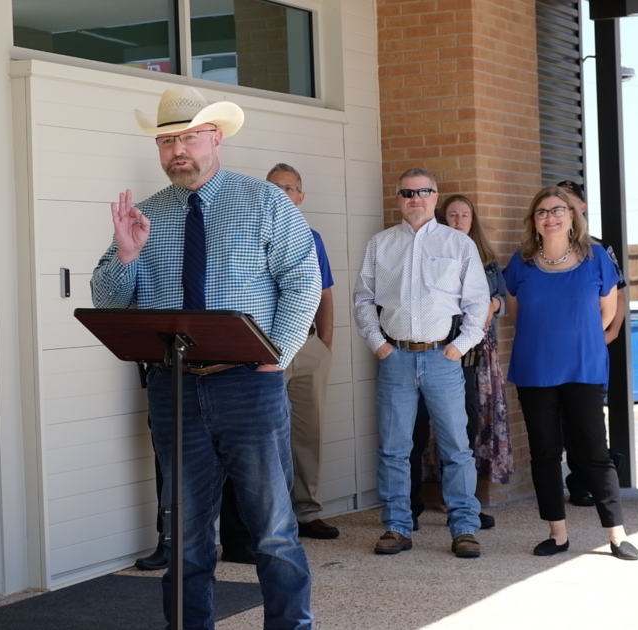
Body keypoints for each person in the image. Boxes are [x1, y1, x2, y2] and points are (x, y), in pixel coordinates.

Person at [91, 86, 319, 629]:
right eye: (166, 141)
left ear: (215, 138)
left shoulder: (265, 203)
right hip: (175, 393)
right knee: (186, 536)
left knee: (273, 530)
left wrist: (277, 354)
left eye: (188, 138)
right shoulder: (144, 217)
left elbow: (302, 280)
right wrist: (125, 255)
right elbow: (109, 301)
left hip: (250, 388)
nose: (177, 152)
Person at [353, 168, 488, 558]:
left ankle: (464, 528)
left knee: (456, 449)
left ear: (435, 196)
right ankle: (397, 526)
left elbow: (478, 301)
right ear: (398, 198)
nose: (415, 198)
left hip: (443, 358)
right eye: (407, 193)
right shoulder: (381, 244)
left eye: (423, 192)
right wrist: (378, 344)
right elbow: (363, 298)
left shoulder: (458, 244)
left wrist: (460, 346)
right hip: (395, 358)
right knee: (394, 448)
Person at [503, 186, 638, 561]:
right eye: (543, 212)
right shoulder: (520, 263)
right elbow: (518, 315)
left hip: (583, 365)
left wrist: (578, 339)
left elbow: (608, 312)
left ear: (572, 216)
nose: (551, 217)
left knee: (594, 451)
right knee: (545, 452)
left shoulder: (596, 257)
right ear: (534, 220)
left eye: (558, 210)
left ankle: (616, 534)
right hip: (534, 367)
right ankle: (558, 534)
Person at [218, 163, 339, 565]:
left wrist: (324, 345)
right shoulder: (249, 233)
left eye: (290, 188)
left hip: (306, 348)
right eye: (275, 187)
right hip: (262, 350)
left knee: (307, 433)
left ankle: (306, 513)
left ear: (301, 196)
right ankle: (267, 523)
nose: (283, 193)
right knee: (261, 439)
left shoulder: (311, 237)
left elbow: (323, 295)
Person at [408, 195, 512, 531]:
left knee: (463, 431)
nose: (458, 219)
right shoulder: (430, 252)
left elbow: (504, 303)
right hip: (428, 349)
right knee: (417, 427)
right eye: (452, 214)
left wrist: (492, 302)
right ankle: (410, 505)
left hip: (470, 356)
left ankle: (466, 506)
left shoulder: (487, 261)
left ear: (473, 221)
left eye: (464, 215)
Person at [556, 180, 629, 507]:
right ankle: (579, 482)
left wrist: (611, 331)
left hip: (589, 346)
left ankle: (597, 478)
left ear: (581, 209)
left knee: (588, 417)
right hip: (554, 350)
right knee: (562, 418)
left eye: (569, 203)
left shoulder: (598, 248)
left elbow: (620, 291)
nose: (564, 209)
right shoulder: (543, 249)